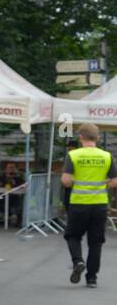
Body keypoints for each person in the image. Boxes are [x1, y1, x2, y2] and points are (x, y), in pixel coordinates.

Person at [62, 123, 116, 287]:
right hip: (99, 205)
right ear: (97, 137)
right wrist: (103, 183)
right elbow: (114, 182)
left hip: (79, 204)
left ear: (81, 137)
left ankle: (78, 261)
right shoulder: (107, 156)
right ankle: (92, 279)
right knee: (96, 242)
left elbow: (65, 181)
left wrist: (76, 181)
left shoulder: (74, 155)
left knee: (72, 236)